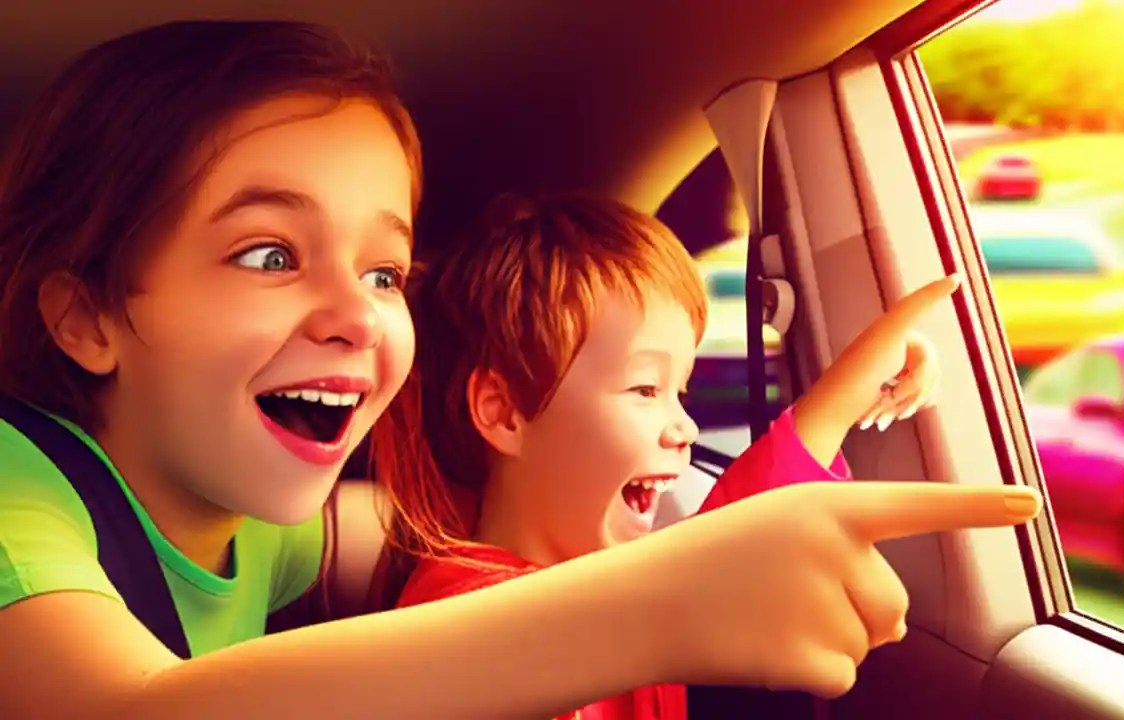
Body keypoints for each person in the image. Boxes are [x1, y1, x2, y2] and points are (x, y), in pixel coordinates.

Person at [0, 19, 1043, 719]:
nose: (358, 316)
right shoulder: (17, 504)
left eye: (383, 272)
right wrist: (655, 609)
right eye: (269, 255)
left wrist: (840, 393)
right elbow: (122, 710)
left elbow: (444, 525)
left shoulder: (262, 524)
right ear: (87, 318)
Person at [391, 192, 955, 719]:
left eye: (679, 391)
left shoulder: (612, 589)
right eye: (644, 389)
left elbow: (728, 540)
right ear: (504, 412)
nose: (686, 426)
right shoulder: (465, 627)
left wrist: (851, 388)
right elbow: (716, 564)